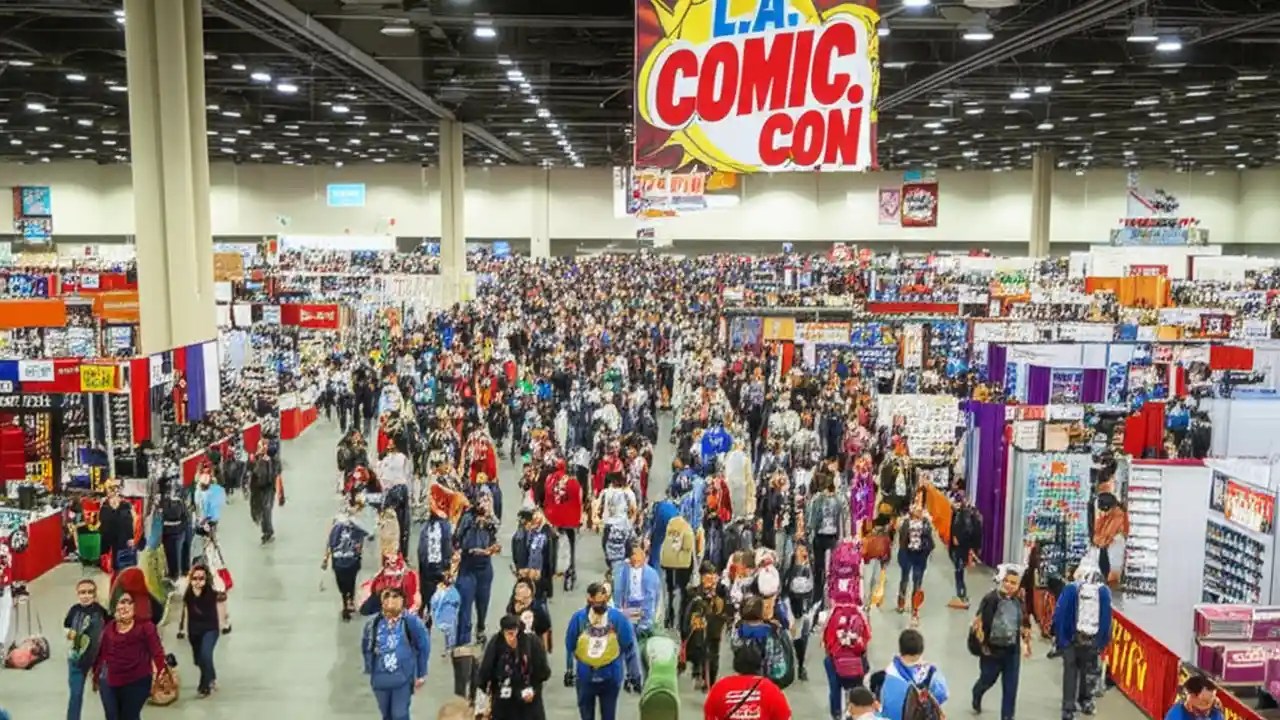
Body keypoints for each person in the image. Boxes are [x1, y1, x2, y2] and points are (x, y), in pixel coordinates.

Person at [563, 582, 643, 720]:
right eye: (597, 601)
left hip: (610, 676)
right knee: (586, 715)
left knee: (609, 715)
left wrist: (634, 674)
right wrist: (569, 670)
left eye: (603, 601)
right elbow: (570, 645)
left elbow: (628, 645)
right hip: (585, 676)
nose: (600, 605)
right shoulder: (579, 619)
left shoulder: (617, 618)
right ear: (589, 599)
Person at [92, 595, 172, 720]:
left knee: (129, 716)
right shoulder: (109, 628)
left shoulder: (146, 627)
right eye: (122, 602)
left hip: (137, 681)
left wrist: (160, 673)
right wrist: (96, 676)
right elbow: (102, 654)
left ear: (136, 607)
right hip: (109, 681)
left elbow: (157, 652)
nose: (125, 606)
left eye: (129, 602)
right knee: (111, 716)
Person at [1052, 561, 1112, 720]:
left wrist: (1060, 639)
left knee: (1074, 672)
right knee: (1084, 671)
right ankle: (1079, 702)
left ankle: (1071, 707)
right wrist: (1102, 640)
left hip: (1075, 638)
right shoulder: (1103, 592)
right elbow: (1106, 619)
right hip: (1084, 637)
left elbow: (1060, 613)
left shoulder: (1072, 589)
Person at [971, 565, 1033, 720]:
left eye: (1014, 583)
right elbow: (979, 623)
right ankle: (977, 693)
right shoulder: (991, 599)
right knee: (987, 679)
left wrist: (1026, 641)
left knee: (1010, 688)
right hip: (991, 650)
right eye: (1007, 581)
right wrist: (982, 645)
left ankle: (1007, 716)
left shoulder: (1020, 601)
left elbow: (1025, 622)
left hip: (1012, 651)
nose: (1009, 585)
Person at [362, 586, 431, 720]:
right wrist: (370, 667)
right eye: (387, 597)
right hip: (380, 679)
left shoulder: (411, 622)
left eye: (395, 597)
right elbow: (366, 646)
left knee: (399, 714)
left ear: (402, 601)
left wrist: (421, 673)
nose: (390, 601)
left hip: (403, 678)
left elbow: (424, 646)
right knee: (386, 715)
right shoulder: (373, 624)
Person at [476, 614, 552, 720]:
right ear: (503, 633)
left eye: (516, 633)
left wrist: (534, 690)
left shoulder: (532, 643)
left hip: (529, 704)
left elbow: (543, 672)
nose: (513, 638)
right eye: (509, 634)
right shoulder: (496, 643)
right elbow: (484, 673)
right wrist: (482, 706)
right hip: (503, 704)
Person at [455, 493, 501, 646]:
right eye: (483, 500)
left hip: (484, 567)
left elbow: (495, 540)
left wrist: (493, 548)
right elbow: (458, 539)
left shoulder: (492, 520)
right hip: (468, 566)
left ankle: (480, 628)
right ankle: (462, 640)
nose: (485, 504)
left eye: (488, 501)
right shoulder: (467, 518)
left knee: (483, 603)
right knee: (465, 606)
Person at [704, 642, 792, 720]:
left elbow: (709, 715)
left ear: (736, 664)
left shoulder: (720, 687)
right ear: (759, 664)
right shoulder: (771, 689)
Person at [876, 629, 949, 720]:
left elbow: (881, 700)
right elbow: (942, 695)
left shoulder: (887, 673)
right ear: (921, 649)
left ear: (901, 648)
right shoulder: (931, 672)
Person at [683, 560, 732, 691]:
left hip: (715, 626)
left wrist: (727, 621)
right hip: (700, 628)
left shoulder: (721, 590)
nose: (710, 580)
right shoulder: (695, 592)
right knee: (700, 651)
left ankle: (711, 682)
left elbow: (728, 607)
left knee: (714, 655)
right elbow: (688, 610)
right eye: (706, 576)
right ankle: (700, 674)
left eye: (712, 576)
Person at [176, 564, 224, 697]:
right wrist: (182, 628)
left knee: (205, 655)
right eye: (195, 578)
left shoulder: (212, 591)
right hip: (194, 631)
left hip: (210, 629)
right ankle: (212, 676)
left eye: (201, 578)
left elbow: (221, 603)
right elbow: (185, 610)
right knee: (199, 659)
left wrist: (224, 623)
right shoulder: (187, 592)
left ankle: (204, 685)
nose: (198, 582)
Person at [64, 578, 108, 720]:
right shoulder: (74, 610)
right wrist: (69, 634)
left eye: (90, 592)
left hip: (99, 660)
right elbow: (66, 627)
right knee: (76, 695)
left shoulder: (101, 611)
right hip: (77, 660)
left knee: (108, 695)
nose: (86, 595)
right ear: (77, 594)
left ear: (95, 594)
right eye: (82, 592)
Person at [323, 502, 371, 621]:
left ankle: (348, 600)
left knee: (349, 582)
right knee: (344, 583)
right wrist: (326, 557)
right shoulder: (337, 527)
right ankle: (347, 599)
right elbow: (330, 542)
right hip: (341, 559)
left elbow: (368, 533)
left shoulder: (356, 526)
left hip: (350, 560)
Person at [612, 540, 662, 638]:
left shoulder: (652, 574)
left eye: (639, 554)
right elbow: (618, 593)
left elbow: (653, 598)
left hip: (644, 609)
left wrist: (648, 618)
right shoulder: (621, 571)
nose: (636, 558)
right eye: (633, 554)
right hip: (626, 608)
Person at [896, 502, 934, 623]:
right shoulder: (905, 523)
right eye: (916, 510)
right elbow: (901, 537)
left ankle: (915, 608)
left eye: (920, 510)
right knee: (904, 579)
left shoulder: (926, 524)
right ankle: (901, 601)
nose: (918, 512)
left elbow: (929, 539)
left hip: (920, 555)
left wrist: (926, 551)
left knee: (917, 583)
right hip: (907, 554)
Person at [947, 492, 982, 609]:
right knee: (958, 572)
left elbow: (969, 531)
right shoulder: (958, 514)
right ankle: (961, 594)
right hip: (959, 548)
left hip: (961, 548)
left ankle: (961, 594)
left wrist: (958, 540)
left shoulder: (965, 515)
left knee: (959, 571)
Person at [98, 482, 136, 575]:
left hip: (122, 536)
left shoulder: (126, 505)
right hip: (107, 535)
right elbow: (100, 520)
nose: (108, 493)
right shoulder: (104, 504)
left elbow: (132, 521)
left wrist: (132, 537)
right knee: (106, 563)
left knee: (122, 563)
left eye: (111, 490)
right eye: (108, 490)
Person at [249, 445, 282, 544]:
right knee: (266, 510)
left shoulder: (264, 462)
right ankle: (267, 531)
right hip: (268, 489)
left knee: (266, 510)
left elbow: (256, 474)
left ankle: (267, 531)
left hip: (265, 489)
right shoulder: (273, 462)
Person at [507, 578, 553, 651]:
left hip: (534, 646)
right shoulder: (512, 607)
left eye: (522, 586)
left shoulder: (538, 609)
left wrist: (545, 650)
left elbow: (545, 630)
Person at [159, 488, 192, 580]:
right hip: (177, 530)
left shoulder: (176, 502)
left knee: (175, 555)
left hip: (176, 531)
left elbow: (179, 516)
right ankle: (180, 573)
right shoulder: (177, 500)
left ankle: (176, 575)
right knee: (176, 554)